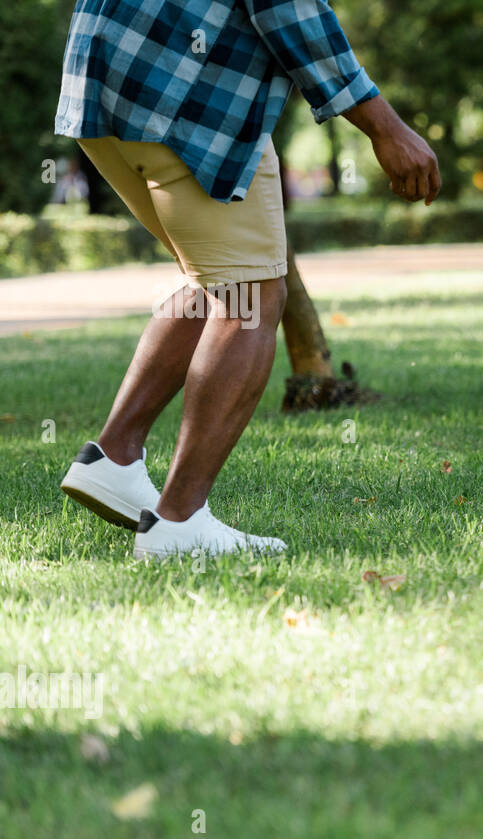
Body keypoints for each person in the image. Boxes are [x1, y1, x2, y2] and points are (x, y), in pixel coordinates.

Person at [53, 0, 439, 559]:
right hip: (185, 91)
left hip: (107, 73)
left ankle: (113, 458)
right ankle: (179, 522)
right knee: (252, 296)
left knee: (216, 280)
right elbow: (288, 8)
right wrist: (385, 126)